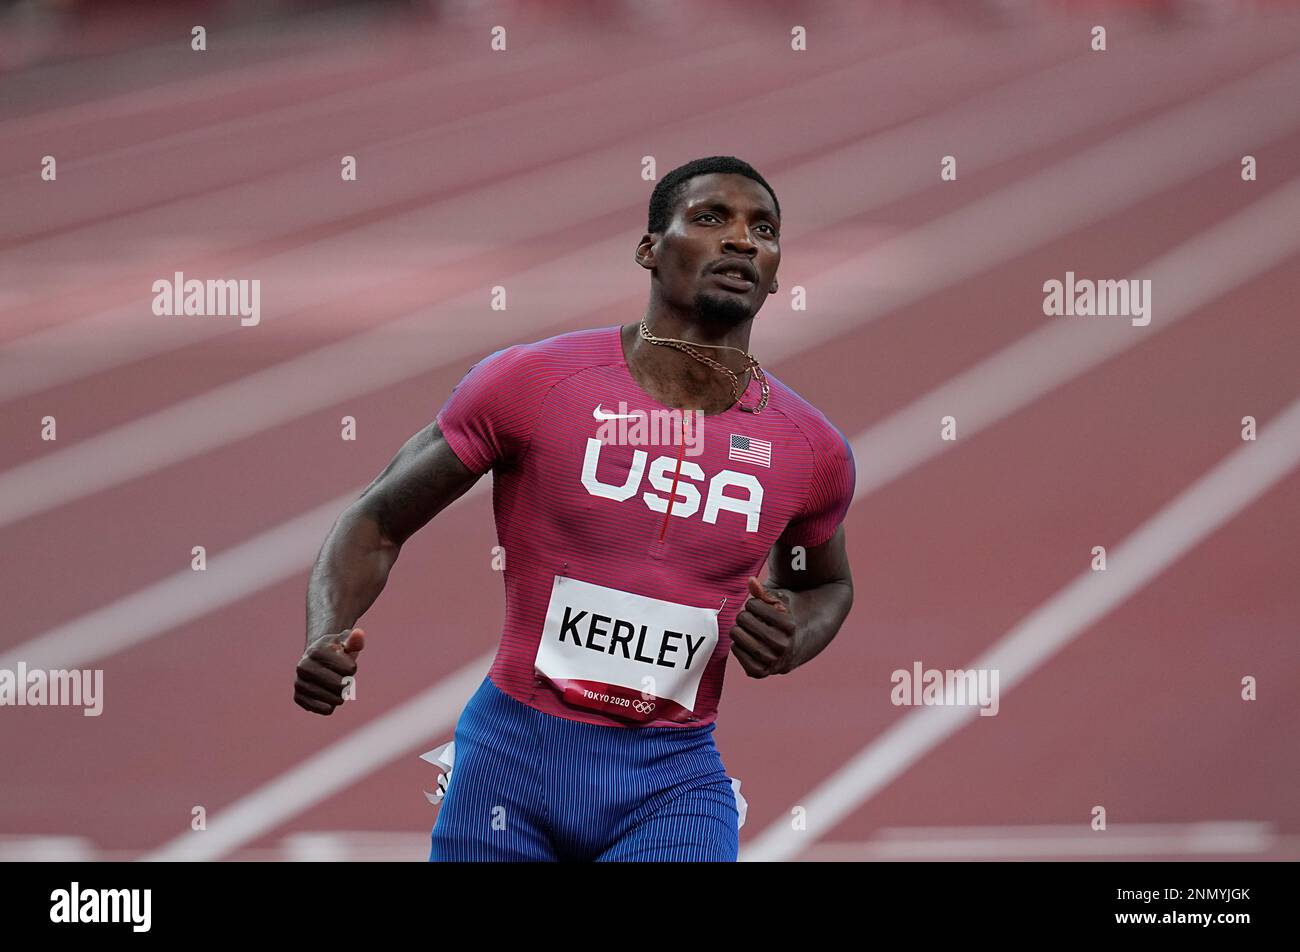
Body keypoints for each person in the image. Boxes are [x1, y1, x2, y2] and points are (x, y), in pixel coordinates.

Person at [294, 155, 857, 861]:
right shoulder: (535, 384)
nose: (741, 240)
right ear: (650, 249)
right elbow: (377, 519)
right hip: (509, 771)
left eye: (763, 229)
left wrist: (796, 634)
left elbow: (824, 583)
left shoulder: (809, 449)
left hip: (672, 784)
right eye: (711, 218)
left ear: (775, 272)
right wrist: (328, 632)